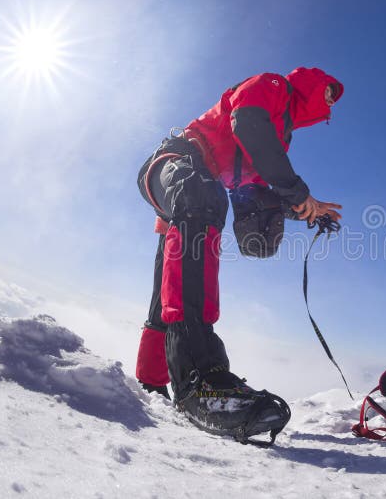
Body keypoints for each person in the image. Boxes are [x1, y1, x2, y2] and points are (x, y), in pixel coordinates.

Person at [135, 68, 343, 442]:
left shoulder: (282, 132)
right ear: (311, 83)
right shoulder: (274, 86)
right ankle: (200, 379)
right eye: (329, 91)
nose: (331, 101)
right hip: (174, 164)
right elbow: (247, 122)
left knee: (174, 267)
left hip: (192, 183)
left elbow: (256, 193)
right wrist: (298, 192)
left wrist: (305, 211)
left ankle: (150, 383)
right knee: (203, 199)